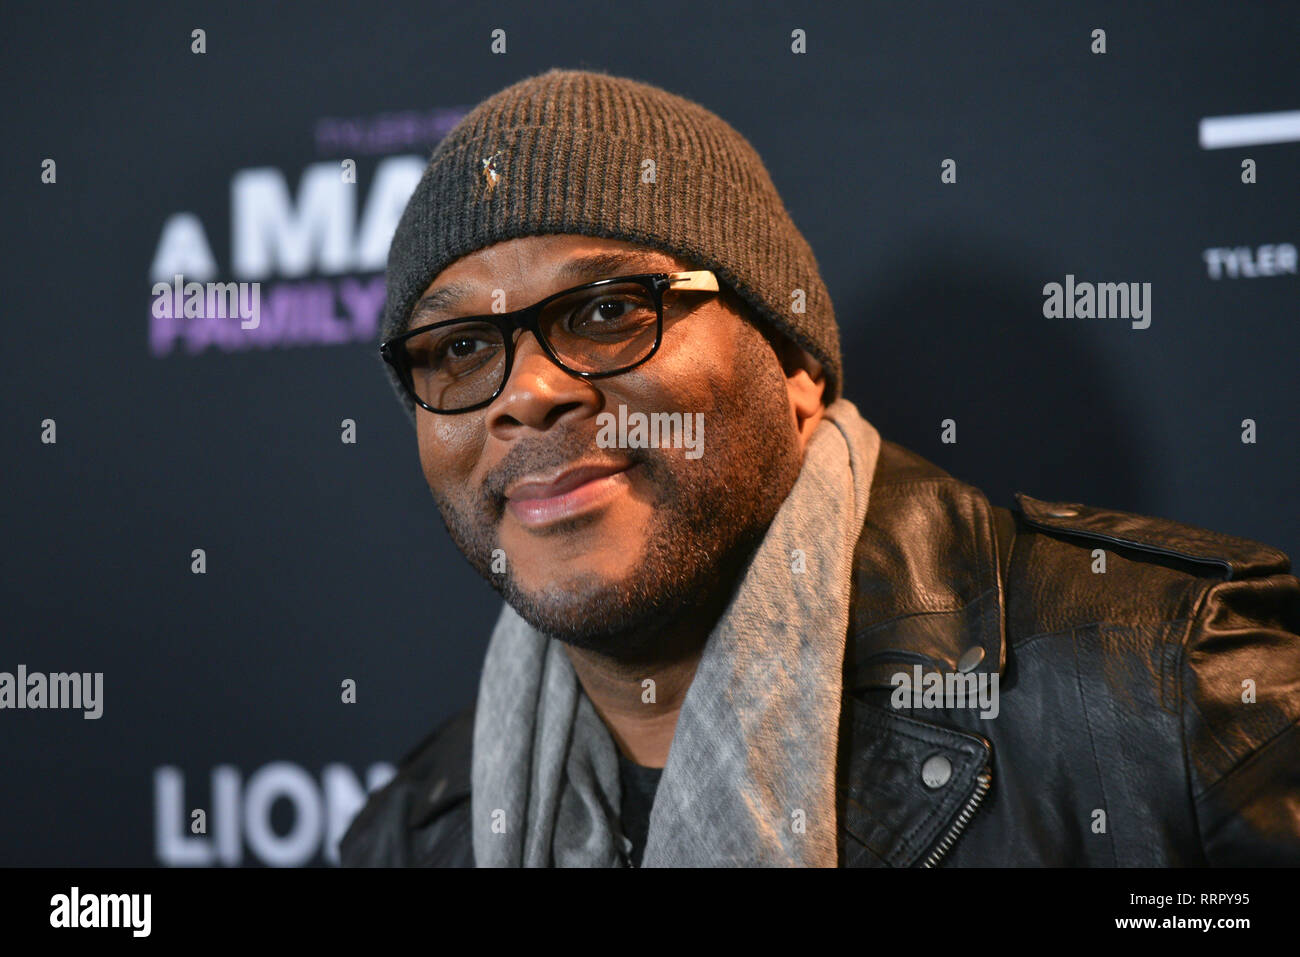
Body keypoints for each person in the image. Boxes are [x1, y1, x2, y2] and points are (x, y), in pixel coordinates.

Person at [341, 68, 1300, 867]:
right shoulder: (412, 833)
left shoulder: (1172, 694)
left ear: (794, 363)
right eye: (460, 347)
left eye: (607, 309)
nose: (526, 393)